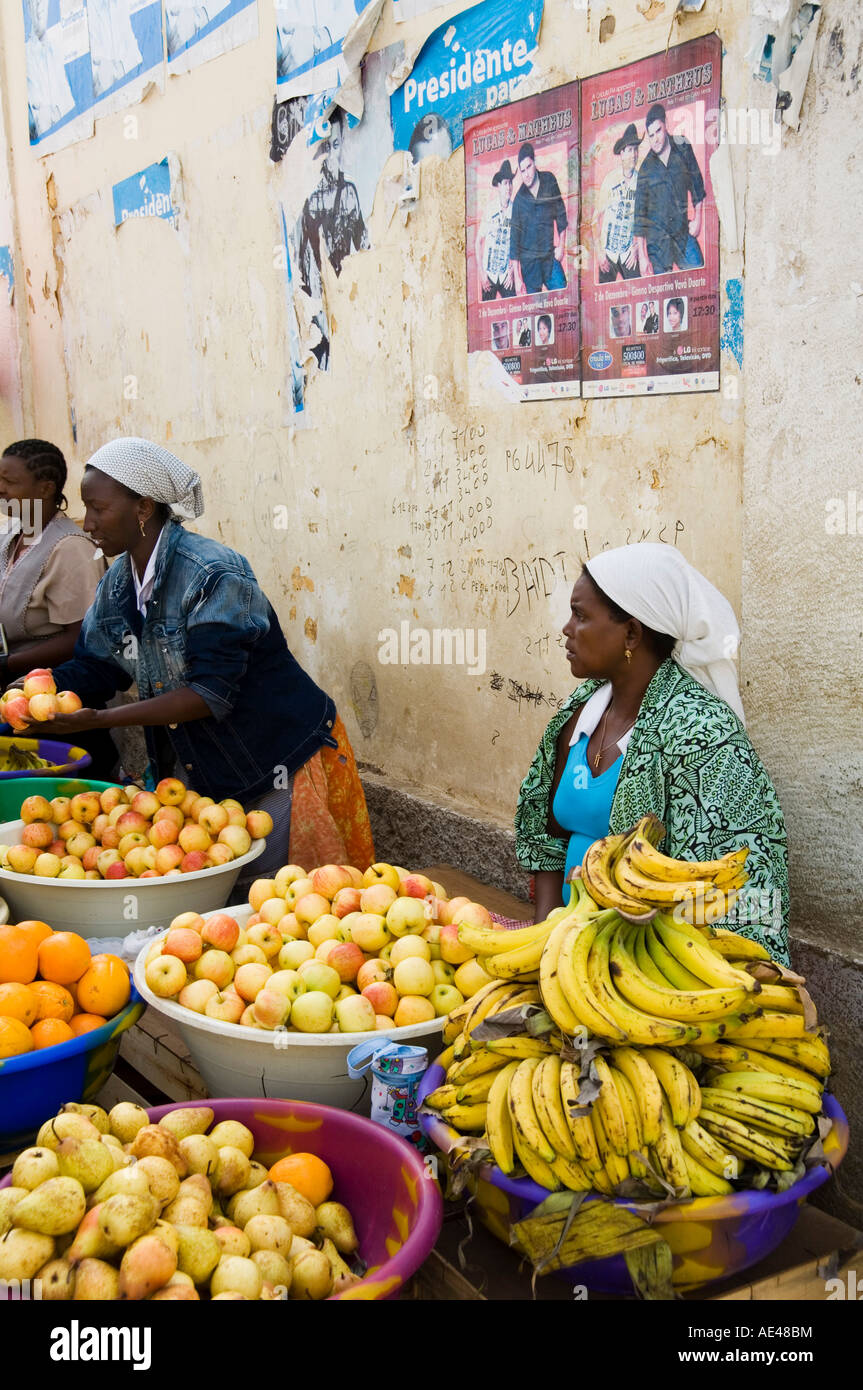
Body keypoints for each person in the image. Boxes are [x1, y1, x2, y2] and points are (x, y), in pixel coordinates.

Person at [20, 438, 375, 884]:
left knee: (281, 893)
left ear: (143, 508)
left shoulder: (213, 574)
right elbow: (97, 666)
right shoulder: (117, 583)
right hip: (201, 763)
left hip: (274, 758)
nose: (87, 523)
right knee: (216, 892)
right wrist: (37, 688)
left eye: (97, 508)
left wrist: (92, 721)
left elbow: (209, 693)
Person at [514, 544, 789, 961]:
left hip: (655, 968)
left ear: (631, 633)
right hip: (566, 955)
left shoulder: (703, 737)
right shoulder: (580, 711)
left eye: (581, 615)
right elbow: (546, 840)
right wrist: (546, 943)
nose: (567, 629)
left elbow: (731, 897)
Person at [0, 440, 117, 777]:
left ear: (46, 487)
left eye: (11, 482)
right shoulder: (13, 536)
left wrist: (10, 664)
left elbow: (82, 639)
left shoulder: (72, 549)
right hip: (16, 704)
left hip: (57, 712)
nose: (1, 489)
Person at [298, 111, 369, 300]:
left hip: (348, 294)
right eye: (326, 147)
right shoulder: (311, 202)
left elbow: (364, 249)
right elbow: (304, 265)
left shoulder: (348, 193)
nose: (330, 155)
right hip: (322, 298)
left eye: (335, 145)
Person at [633, 103, 706, 276]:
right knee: (660, 292)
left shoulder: (682, 146)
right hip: (657, 244)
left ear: (666, 125)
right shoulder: (645, 168)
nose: (655, 139)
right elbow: (639, 216)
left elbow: (696, 183)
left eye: (658, 131)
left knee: (699, 275)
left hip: (682, 232)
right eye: (651, 135)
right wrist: (643, 258)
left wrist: (698, 217)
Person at [509, 143, 568, 295]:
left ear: (535, 163)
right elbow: (514, 242)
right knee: (534, 312)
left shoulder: (549, 180)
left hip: (549, 257)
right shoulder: (519, 201)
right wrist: (517, 277)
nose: (526, 174)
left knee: (563, 297)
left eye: (528, 167)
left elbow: (561, 214)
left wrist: (561, 245)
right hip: (530, 266)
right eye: (522, 171)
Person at [594, 122, 642, 283]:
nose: (633, 154)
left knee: (639, 294)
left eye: (636, 149)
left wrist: (636, 247)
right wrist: (599, 253)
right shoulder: (610, 180)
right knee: (603, 301)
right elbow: (594, 220)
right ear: (621, 154)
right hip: (608, 255)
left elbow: (645, 220)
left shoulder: (641, 181)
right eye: (629, 150)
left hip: (629, 252)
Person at [475, 160, 515, 301]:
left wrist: (512, 271)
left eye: (510, 183)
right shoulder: (490, 209)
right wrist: (481, 273)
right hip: (489, 275)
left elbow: (519, 245)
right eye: (505, 183)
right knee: (486, 317)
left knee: (516, 311)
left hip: (506, 275)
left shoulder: (515, 210)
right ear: (498, 186)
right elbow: (478, 241)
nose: (509, 187)